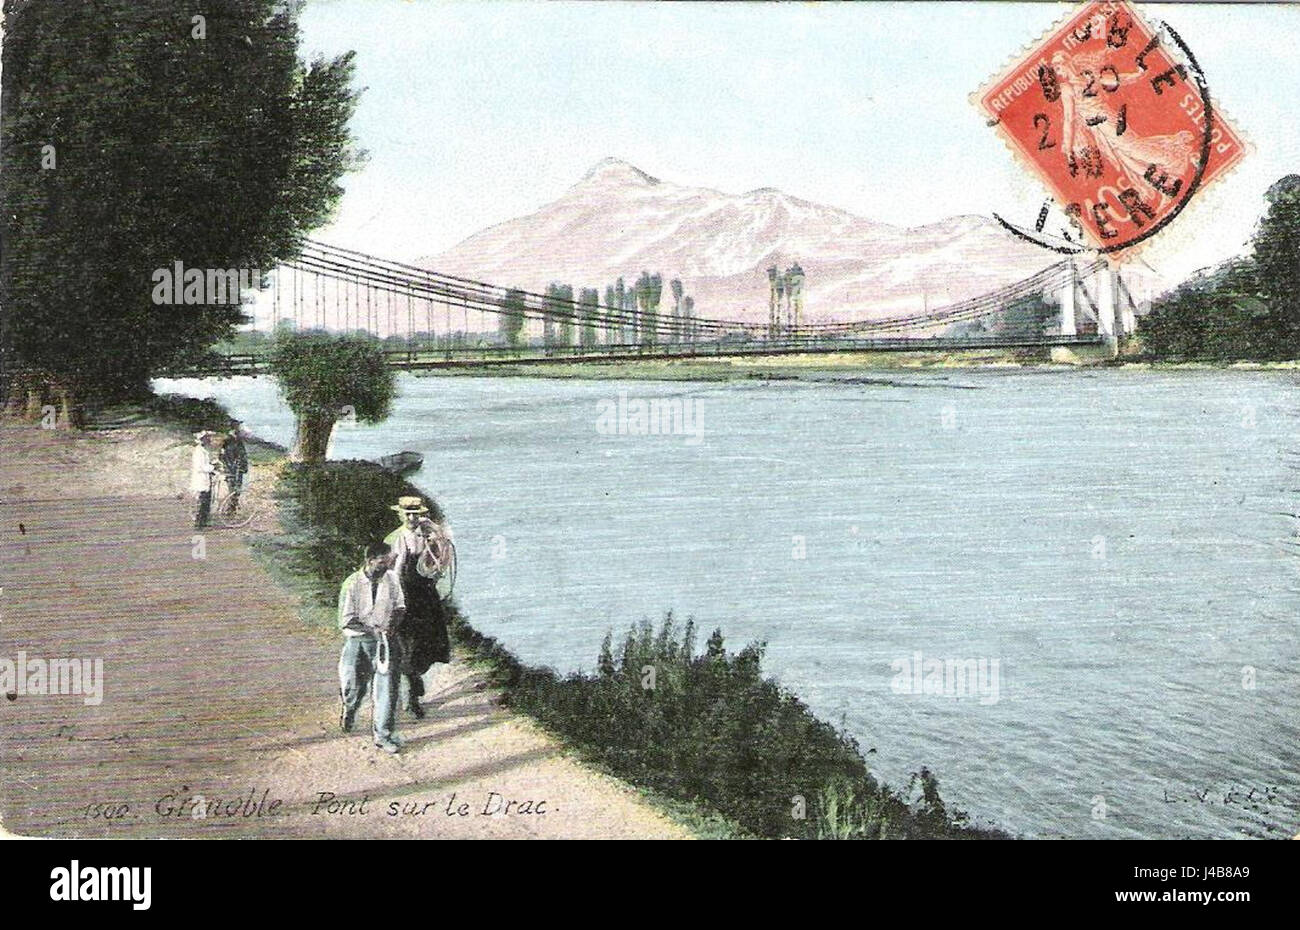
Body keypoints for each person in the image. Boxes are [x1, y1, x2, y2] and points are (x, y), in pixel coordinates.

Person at [385, 496, 452, 719]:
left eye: (416, 514)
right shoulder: (397, 538)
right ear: (400, 514)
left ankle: (416, 677)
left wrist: (436, 540)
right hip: (405, 594)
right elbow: (394, 572)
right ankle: (412, 696)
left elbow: (439, 557)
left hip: (425, 593)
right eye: (408, 514)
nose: (412, 518)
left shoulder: (426, 533)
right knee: (408, 644)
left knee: (429, 639)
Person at [337, 541, 406, 753]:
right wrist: (372, 631)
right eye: (382, 562)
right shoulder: (352, 584)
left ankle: (383, 735)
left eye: (388, 561)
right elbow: (346, 620)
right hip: (359, 641)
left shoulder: (392, 579)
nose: (386, 566)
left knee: (387, 689)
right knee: (354, 687)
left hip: (385, 641)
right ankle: (350, 708)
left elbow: (400, 607)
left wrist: (391, 627)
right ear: (369, 561)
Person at [217, 421, 249, 514]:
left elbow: (243, 454)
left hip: (239, 468)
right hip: (231, 468)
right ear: (234, 428)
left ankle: (233, 508)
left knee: (237, 489)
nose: (239, 429)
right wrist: (226, 466)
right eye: (237, 427)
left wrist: (244, 465)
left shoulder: (238, 440)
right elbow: (222, 455)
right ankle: (230, 509)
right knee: (232, 489)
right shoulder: (228, 441)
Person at [190, 431, 216, 528]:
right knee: (203, 503)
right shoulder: (199, 451)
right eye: (207, 438)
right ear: (202, 439)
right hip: (200, 480)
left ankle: (204, 522)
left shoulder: (204, 451)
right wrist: (212, 468)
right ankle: (199, 524)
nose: (209, 439)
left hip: (205, 479)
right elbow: (200, 467)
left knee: (206, 502)